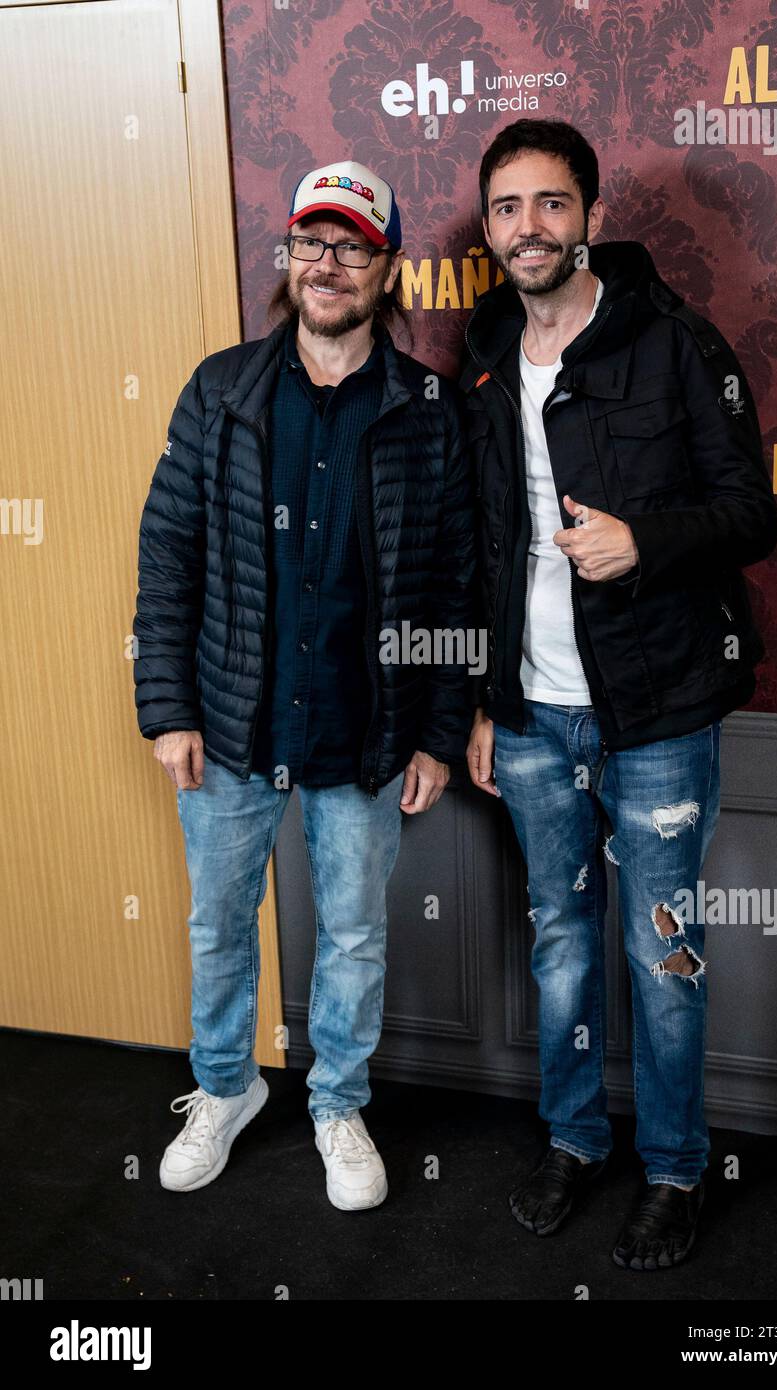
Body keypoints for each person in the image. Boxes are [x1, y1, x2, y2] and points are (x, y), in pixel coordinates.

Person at [462, 119, 777, 1268]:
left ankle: (676, 1165)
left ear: (589, 215)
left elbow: (755, 514)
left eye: (550, 204)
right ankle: (573, 1137)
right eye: (506, 207)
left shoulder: (673, 344)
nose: (527, 227)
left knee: (660, 948)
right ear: (487, 225)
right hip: (534, 716)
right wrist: (488, 700)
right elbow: (484, 541)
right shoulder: (488, 352)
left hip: (654, 714)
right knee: (558, 940)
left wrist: (645, 540)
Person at [133, 160, 476, 1210]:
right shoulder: (219, 388)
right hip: (229, 722)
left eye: (351, 247)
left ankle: (336, 1100)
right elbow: (168, 551)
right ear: (287, 259)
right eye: (309, 243)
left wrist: (434, 729)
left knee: (355, 931)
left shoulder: (429, 409)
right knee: (217, 923)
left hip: (364, 730)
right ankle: (225, 1089)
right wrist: (169, 708)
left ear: (386, 269)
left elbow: (455, 579)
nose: (327, 264)